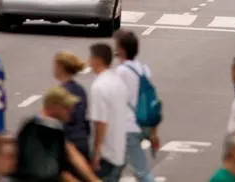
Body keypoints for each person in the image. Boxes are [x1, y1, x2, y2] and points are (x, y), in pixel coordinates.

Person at [15, 87, 101, 182]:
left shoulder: (52, 126)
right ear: (54, 107)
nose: (71, 110)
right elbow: (53, 171)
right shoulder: (37, 131)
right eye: (66, 107)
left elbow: (71, 153)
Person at [114, 30, 160, 182]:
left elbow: (116, 100)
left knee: (142, 173)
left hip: (128, 127)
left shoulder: (121, 71)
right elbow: (151, 100)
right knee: (113, 169)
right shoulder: (143, 69)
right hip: (143, 124)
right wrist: (153, 132)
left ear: (121, 49)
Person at [88, 43, 129, 181]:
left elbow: (101, 123)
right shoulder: (118, 82)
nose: (89, 61)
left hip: (107, 155)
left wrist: (96, 153)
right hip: (120, 150)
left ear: (97, 60)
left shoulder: (99, 87)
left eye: (91, 58)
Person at [54, 51, 91, 160]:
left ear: (60, 67)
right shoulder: (80, 90)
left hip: (70, 143)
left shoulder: (62, 92)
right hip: (82, 140)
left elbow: (61, 121)